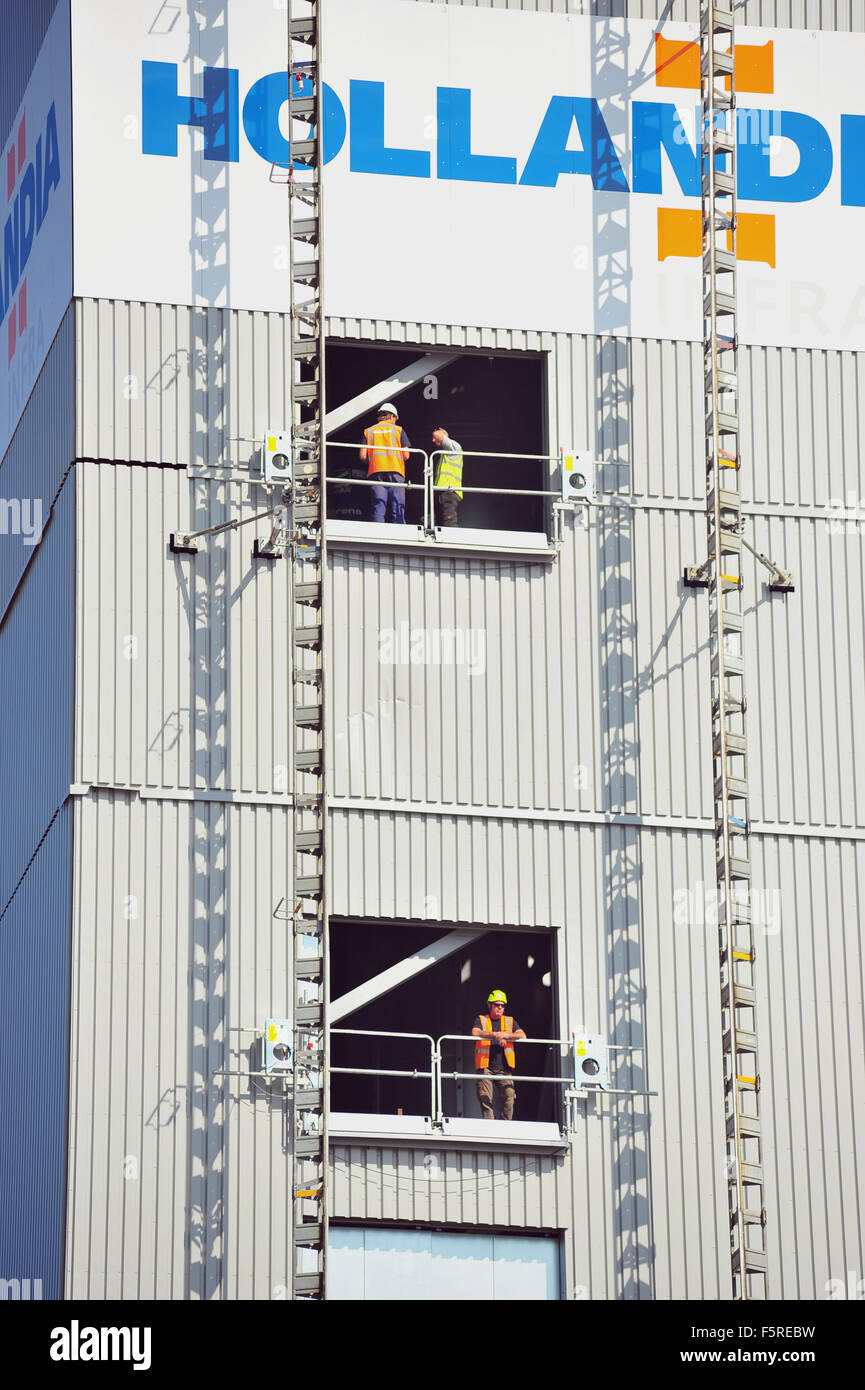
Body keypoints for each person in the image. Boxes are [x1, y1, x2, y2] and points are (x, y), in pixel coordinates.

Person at [472, 989, 526, 1121]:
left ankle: (505, 1123)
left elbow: (522, 1035)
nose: (500, 1007)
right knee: (485, 1096)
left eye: (502, 1005)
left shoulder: (509, 1021)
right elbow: (475, 1032)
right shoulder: (481, 1019)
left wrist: (506, 1035)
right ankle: (489, 1123)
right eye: (497, 1004)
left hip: (504, 1068)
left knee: (509, 1096)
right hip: (486, 1067)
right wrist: (494, 1035)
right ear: (489, 1005)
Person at [359, 403, 411, 524]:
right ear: (392, 416)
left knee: (378, 506)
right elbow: (406, 455)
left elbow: (362, 456)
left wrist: (374, 461)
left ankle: (378, 532)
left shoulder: (368, 431)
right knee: (398, 505)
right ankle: (399, 533)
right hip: (396, 471)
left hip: (376, 471)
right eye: (395, 419)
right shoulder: (399, 430)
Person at [431, 426, 464, 528]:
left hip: (449, 490)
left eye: (433, 437)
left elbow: (438, 435)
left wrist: (440, 433)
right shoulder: (446, 453)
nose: (433, 440)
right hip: (444, 492)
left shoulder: (454, 447)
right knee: (438, 522)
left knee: (449, 522)